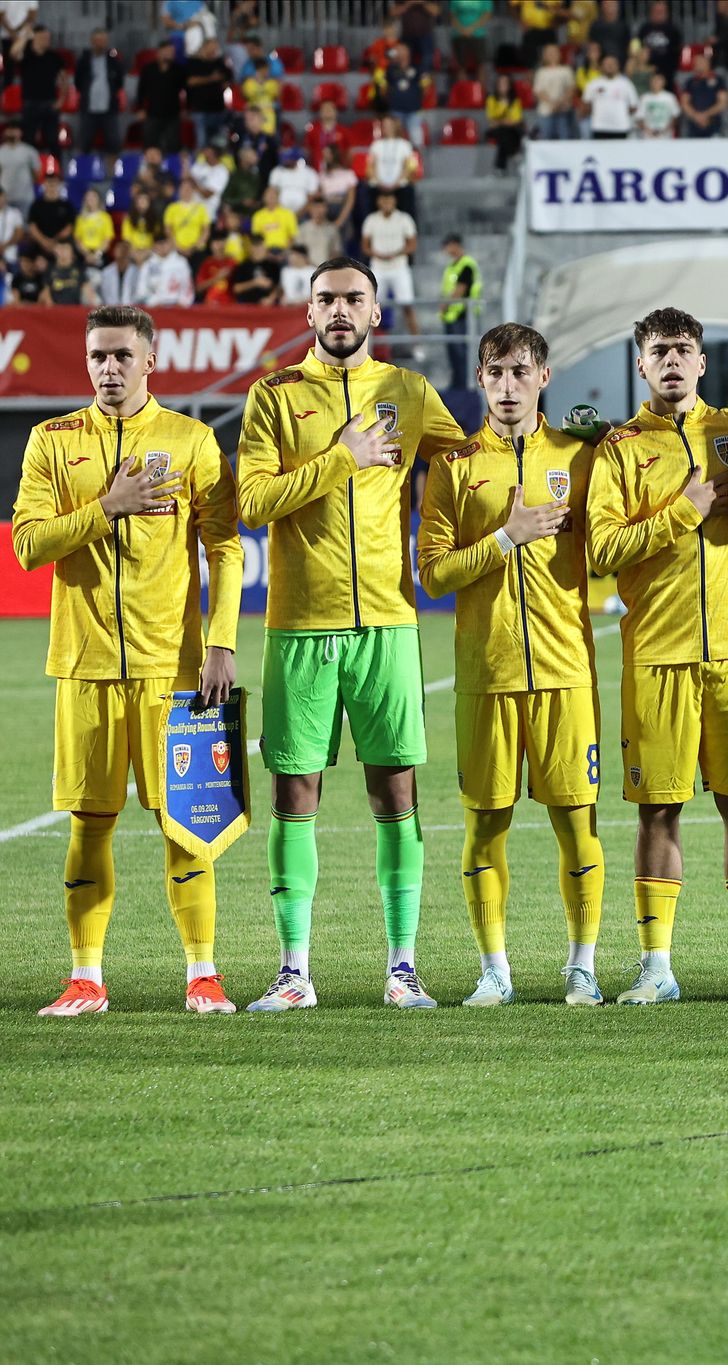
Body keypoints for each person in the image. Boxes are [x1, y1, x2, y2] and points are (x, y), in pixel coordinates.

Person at [236, 255, 467, 1011]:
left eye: (353, 298)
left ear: (375, 312)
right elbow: (253, 502)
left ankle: (403, 967)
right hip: (300, 623)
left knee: (396, 790)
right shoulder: (273, 395)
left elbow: (471, 460)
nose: (340, 310)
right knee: (294, 791)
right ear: (308, 313)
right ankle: (293, 972)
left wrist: (551, 444)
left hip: (389, 622)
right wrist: (343, 457)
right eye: (327, 299)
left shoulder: (409, 390)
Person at [14, 306, 243, 1016]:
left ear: (150, 361)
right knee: (90, 823)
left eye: (121, 355)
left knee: (187, 824)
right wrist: (106, 507)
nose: (108, 368)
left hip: (172, 669)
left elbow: (225, 546)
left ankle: (203, 974)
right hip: (84, 665)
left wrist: (222, 641)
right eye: (97, 356)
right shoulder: (52, 440)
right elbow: (27, 545)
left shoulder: (191, 440)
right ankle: (86, 979)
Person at [584, 308, 728, 1003]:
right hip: (656, 654)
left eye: (683, 349)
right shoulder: (619, 450)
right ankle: (656, 967)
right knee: (658, 813)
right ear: (641, 365)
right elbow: (602, 550)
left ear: (702, 362)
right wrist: (684, 510)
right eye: (659, 350)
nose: (672, 360)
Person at [416, 323, 606, 1007]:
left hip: (565, 671)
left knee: (577, 825)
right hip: (486, 674)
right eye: (494, 372)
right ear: (480, 378)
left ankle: (581, 967)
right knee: (485, 826)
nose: (507, 386)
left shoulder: (582, 457)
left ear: (544, 377)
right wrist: (505, 537)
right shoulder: (454, 466)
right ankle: (494, 970)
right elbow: (433, 573)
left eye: (520, 371)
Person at [360, 188, 420, 340]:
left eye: (389, 199)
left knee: (407, 306)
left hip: (399, 267)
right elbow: (365, 246)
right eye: (383, 199)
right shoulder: (371, 220)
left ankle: (417, 345)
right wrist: (378, 254)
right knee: (370, 308)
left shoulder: (404, 219)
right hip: (378, 268)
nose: (386, 203)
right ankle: (367, 345)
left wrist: (396, 254)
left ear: (395, 201)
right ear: (378, 202)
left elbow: (412, 245)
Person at [438, 233, 478, 389]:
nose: (446, 250)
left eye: (448, 245)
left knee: (461, 354)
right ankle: (457, 384)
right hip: (451, 316)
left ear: (455, 245)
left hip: (462, 315)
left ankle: (464, 385)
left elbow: (460, 290)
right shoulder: (452, 266)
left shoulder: (466, 265)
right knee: (454, 354)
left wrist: (446, 304)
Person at [679, 50, 728, 138]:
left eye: (700, 62)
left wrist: (706, 115)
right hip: (694, 127)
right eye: (696, 62)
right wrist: (696, 116)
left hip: (714, 125)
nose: (698, 64)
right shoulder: (690, 82)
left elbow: (722, 102)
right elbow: (684, 102)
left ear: (708, 63)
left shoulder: (718, 80)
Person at [488, 71, 526, 171]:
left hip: (511, 130)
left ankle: (500, 168)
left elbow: (517, 120)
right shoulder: (491, 99)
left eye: (505, 83)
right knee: (503, 132)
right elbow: (492, 121)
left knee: (505, 135)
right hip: (496, 131)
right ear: (497, 85)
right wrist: (506, 120)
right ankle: (514, 153)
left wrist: (500, 121)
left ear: (510, 85)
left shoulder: (515, 100)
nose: (503, 85)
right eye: (501, 83)